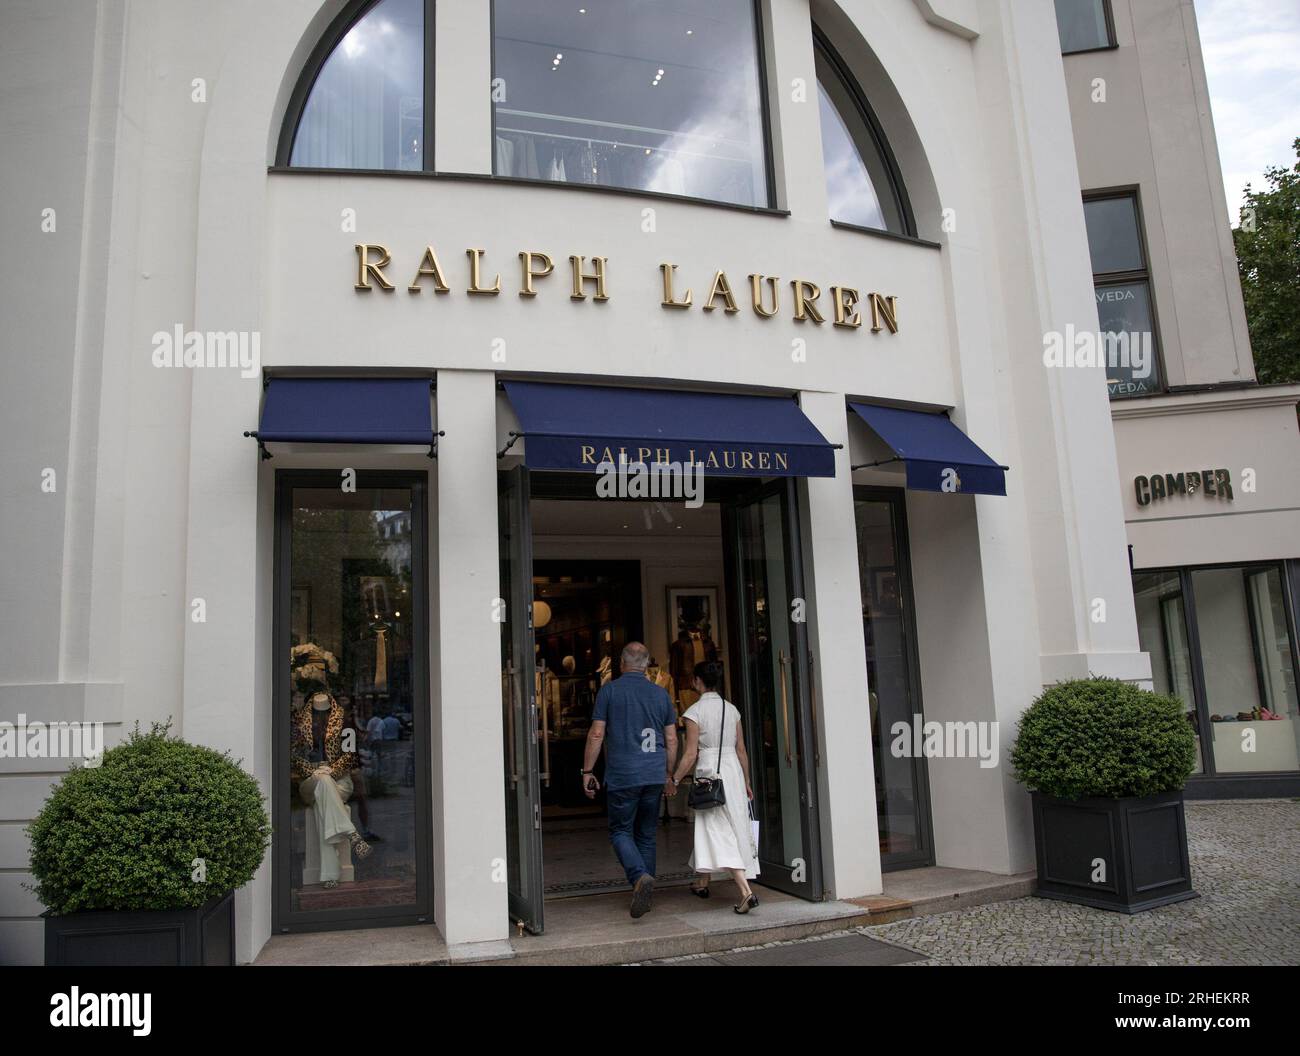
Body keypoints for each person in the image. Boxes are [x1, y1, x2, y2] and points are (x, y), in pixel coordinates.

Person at [581, 641, 678, 918]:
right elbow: (671, 739)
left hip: (623, 775)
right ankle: (646, 889)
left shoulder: (609, 691)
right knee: (646, 834)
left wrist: (588, 772)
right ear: (647, 665)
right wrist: (668, 774)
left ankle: (638, 878)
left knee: (621, 831)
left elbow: (597, 734)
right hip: (653, 773)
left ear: (622, 664)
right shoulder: (661, 695)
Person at [669, 660, 760, 913]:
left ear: (697, 681)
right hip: (733, 771)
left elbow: (690, 755)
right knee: (725, 826)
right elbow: (741, 749)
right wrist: (747, 781)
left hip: (710, 773)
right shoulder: (732, 710)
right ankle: (702, 880)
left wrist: (674, 780)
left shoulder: (694, 712)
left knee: (716, 830)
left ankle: (745, 891)